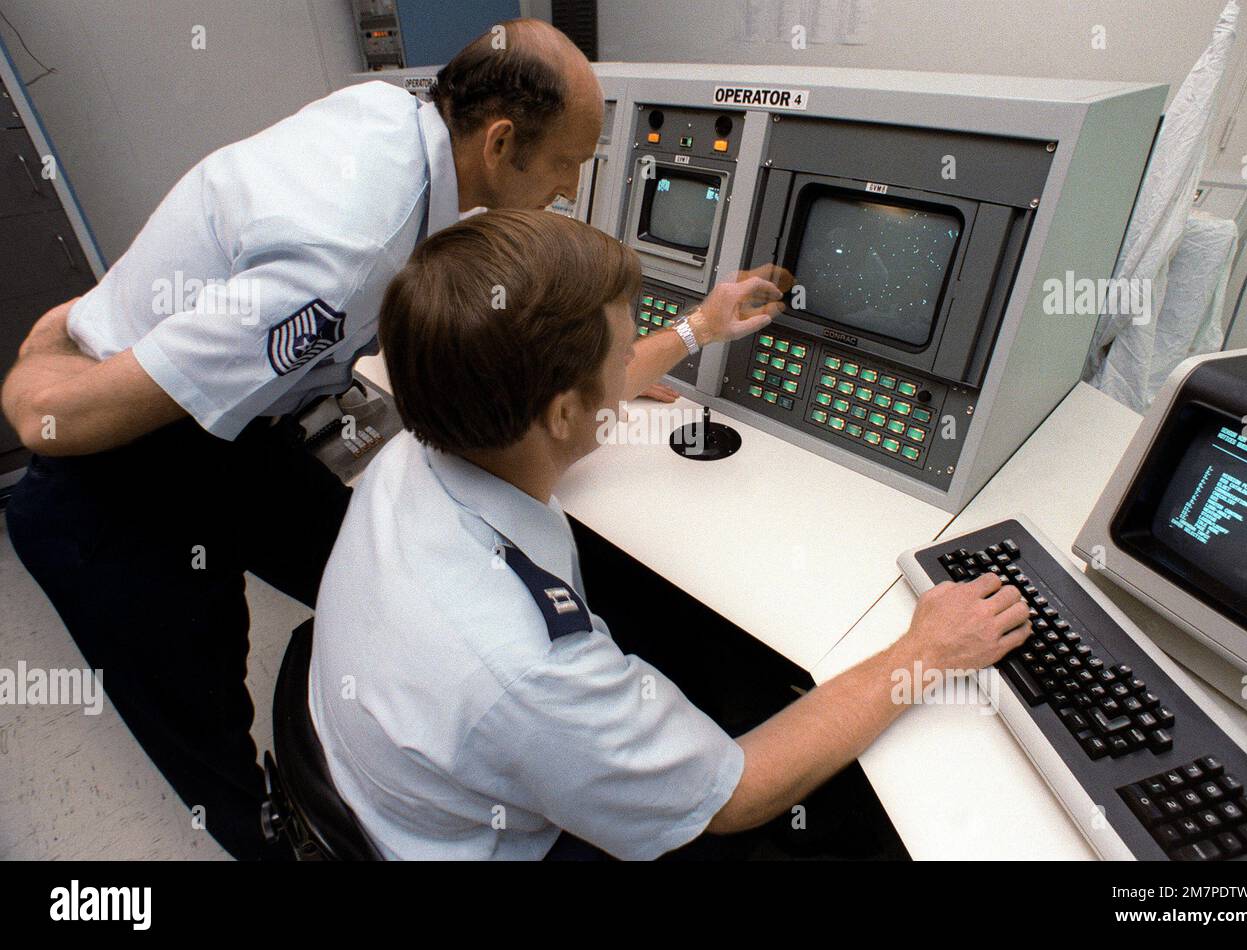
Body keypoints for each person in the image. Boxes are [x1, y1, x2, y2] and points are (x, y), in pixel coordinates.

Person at [0, 19, 716, 859]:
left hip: (227, 429)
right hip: (112, 471)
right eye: (569, 161)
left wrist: (665, 343)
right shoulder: (350, 251)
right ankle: (275, 838)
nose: (570, 188)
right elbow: (59, 422)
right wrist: (37, 357)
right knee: (201, 712)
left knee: (362, 573)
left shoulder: (389, 118)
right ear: (499, 140)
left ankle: (418, 755)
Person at [309, 209, 1033, 860]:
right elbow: (735, 796)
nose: (634, 363)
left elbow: (540, 394)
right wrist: (924, 651)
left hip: (395, 771)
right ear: (563, 412)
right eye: (622, 356)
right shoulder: (532, 668)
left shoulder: (428, 435)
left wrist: (700, 328)